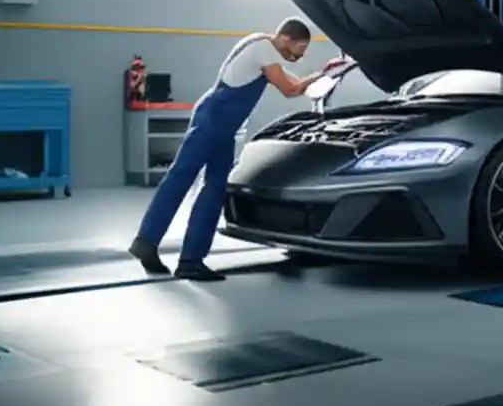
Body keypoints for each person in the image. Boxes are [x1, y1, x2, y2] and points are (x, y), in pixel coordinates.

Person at [128, 17, 344, 281]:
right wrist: (326, 73)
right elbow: (291, 89)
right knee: (182, 176)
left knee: (214, 187)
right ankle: (151, 242)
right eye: (295, 52)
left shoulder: (259, 44)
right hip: (215, 118)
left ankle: (188, 259)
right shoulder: (265, 49)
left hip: (223, 122)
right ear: (285, 39)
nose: (295, 58)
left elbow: (294, 81)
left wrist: (322, 73)